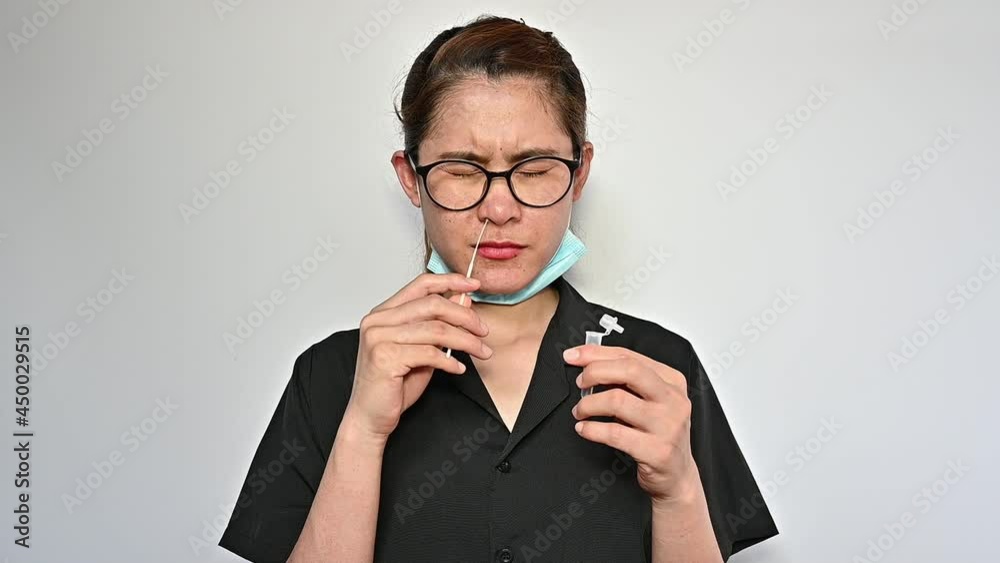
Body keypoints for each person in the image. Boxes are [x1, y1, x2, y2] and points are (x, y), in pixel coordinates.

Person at [219, 14, 778, 563]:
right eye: (463, 170)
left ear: (579, 173)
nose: (500, 208)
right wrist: (363, 432)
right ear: (411, 178)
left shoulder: (660, 366)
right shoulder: (331, 374)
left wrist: (679, 489)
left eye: (534, 169)